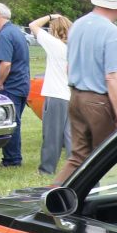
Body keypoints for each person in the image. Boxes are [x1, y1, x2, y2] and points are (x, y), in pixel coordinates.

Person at [54, 0, 117, 185]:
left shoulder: (78, 25)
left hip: (76, 97)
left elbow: (69, 66)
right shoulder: (111, 32)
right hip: (98, 101)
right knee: (106, 158)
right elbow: (112, 76)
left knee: (78, 157)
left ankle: (51, 197)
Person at [27, 12, 72, 176]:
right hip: (70, 96)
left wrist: (50, 16)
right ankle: (76, 167)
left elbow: (33, 25)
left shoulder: (55, 45)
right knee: (70, 135)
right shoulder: (72, 48)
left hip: (56, 95)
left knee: (52, 135)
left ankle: (46, 169)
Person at [0, 2, 31, 167]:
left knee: (11, 122)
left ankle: (12, 159)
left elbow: (5, 64)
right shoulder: (17, 32)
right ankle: (12, 157)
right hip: (22, 84)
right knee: (15, 121)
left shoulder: (5, 34)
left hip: (11, 86)